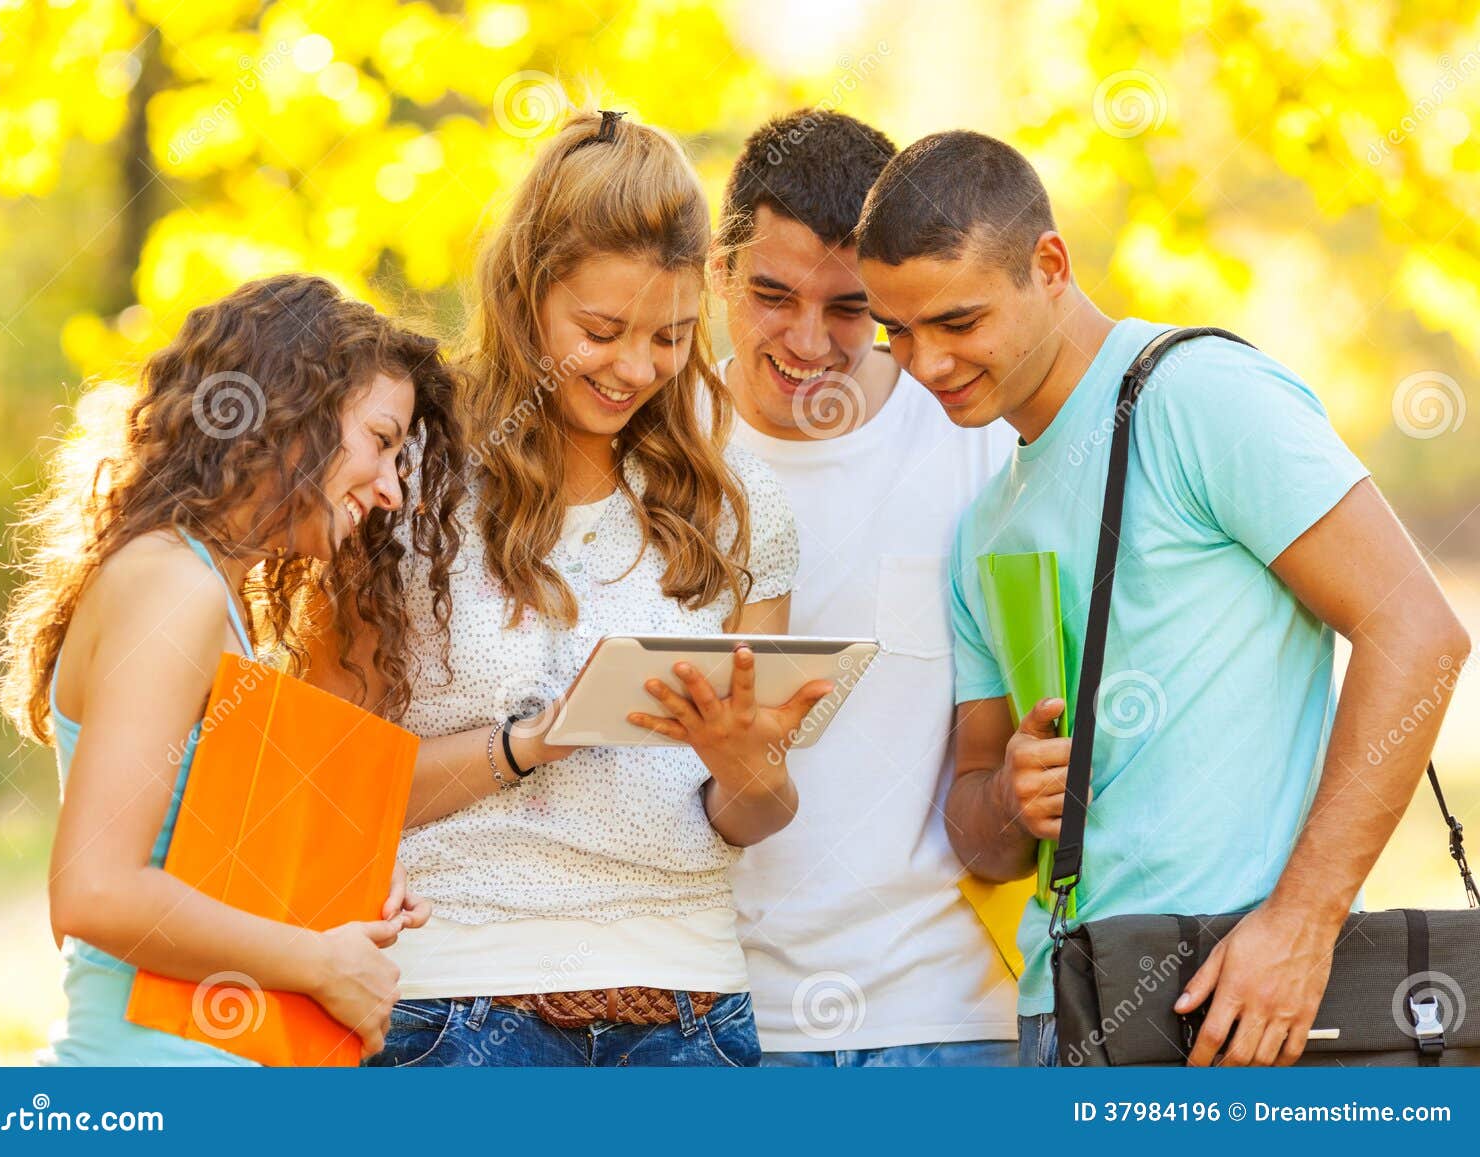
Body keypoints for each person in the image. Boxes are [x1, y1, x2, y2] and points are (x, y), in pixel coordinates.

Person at [855, 130, 1471, 1067]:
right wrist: (1012, 805)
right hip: (1062, 1015)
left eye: (957, 322)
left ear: (1049, 265)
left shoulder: (1199, 397)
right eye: (895, 332)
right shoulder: (984, 526)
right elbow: (981, 834)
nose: (925, 365)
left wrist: (1301, 922)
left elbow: (1417, 634)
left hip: (1232, 1002)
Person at [357, 111, 830, 1068]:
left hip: (693, 1012)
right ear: (528, 291)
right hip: (457, 1006)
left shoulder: (740, 503)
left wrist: (745, 763)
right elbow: (331, 787)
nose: (633, 369)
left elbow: (760, 813)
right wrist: (537, 740)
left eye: (669, 338)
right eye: (601, 331)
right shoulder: (408, 474)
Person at [0, 274, 464, 1064]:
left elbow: (201, 872)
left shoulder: (212, 589)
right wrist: (323, 964)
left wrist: (342, 880)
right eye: (382, 440)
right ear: (292, 408)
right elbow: (93, 890)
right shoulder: (176, 585)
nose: (390, 489)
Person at [711, 109, 1018, 1066]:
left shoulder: (974, 443)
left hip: (945, 1022)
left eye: (849, 309)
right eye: (772, 294)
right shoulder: (655, 439)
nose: (810, 342)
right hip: (714, 1022)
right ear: (717, 272)